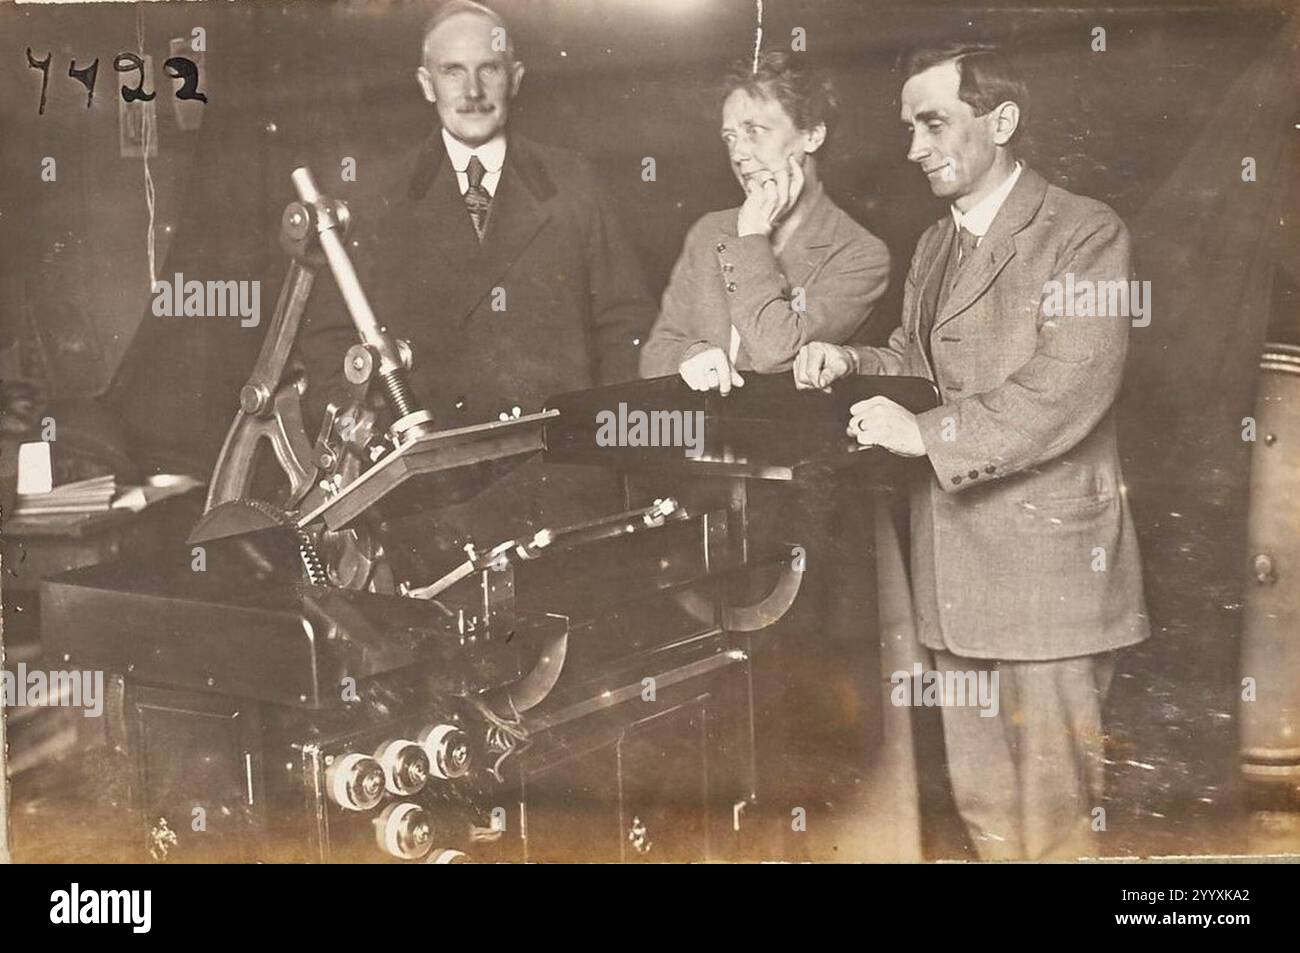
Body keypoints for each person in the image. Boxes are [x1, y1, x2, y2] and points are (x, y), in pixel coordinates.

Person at [794, 43, 1149, 859]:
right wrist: (851, 360)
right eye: (909, 128)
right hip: (954, 575)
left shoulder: (1085, 232)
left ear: (1002, 120)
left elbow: (1069, 389)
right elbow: (919, 365)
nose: (914, 148)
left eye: (933, 124)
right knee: (984, 805)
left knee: (1055, 824)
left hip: (1051, 584)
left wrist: (926, 434)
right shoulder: (935, 244)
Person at [298, 0, 655, 545]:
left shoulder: (574, 182)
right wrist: (375, 441)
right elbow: (330, 350)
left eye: (488, 69)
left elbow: (625, 323)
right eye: (452, 71)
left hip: (564, 484)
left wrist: (600, 439)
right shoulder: (375, 199)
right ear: (425, 83)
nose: (472, 91)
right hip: (433, 502)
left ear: (515, 78)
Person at [639, 52, 890, 386]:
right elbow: (654, 355)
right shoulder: (708, 232)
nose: (738, 154)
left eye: (754, 131)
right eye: (730, 137)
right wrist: (691, 355)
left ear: (813, 135)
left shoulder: (859, 253)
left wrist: (752, 238)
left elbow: (775, 352)